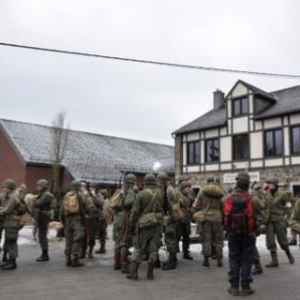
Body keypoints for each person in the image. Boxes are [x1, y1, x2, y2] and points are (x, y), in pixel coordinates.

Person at [223, 172, 256, 296]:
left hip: (232, 233)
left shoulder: (228, 198)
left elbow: (222, 206)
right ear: (247, 185)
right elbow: (262, 207)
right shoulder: (252, 199)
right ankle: (246, 287)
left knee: (234, 258)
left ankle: (234, 287)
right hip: (249, 233)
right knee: (247, 259)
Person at [127, 173, 164, 281]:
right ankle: (150, 274)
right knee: (153, 249)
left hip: (144, 225)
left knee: (139, 248)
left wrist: (132, 224)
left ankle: (134, 274)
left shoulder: (141, 194)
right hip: (157, 224)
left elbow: (135, 212)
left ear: (145, 182)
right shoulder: (161, 194)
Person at [193, 176, 224, 267]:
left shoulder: (202, 191)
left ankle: (206, 260)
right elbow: (224, 204)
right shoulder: (220, 191)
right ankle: (219, 260)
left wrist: (199, 211)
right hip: (217, 218)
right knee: (218, 239)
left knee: (206, 239)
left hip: (206, 217)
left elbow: (196, 204)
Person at [264, 177, 294, 267]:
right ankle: (274, 260)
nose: (268, 185)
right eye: (267, 183)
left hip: (279, 219)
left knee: (283, 240)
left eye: (270, 183)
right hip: (269, 220)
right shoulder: (267, 193)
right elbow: (265, 206)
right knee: (270, 240)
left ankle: (289, 255)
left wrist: (288, 219)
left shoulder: (283, 194)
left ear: (274, 184)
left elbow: (289, 206)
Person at [112, 173, 136, 273]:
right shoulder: (130, 191)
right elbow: (127, 203)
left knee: (117, 241)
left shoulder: (118, 191)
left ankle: (116, 263)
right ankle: (124, 264)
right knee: (124, 241)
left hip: (117, 218)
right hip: (124, 218)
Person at [60, 181, 85, 267]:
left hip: (67, 220)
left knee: (68, 239)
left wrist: (62, 220)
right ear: (78, 187)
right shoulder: (80, 195)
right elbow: (86, 208)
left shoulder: (67, 195)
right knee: (77, 239)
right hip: (77, 220)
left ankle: (68, 259)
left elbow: (62, 209)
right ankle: (75, 259)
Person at [157, 172, 179, 271]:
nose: (158, 184)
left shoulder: (168, 191)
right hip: (170, 216)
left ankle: (172, 262)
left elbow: (168, 205)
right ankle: (172, 259)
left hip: (169, 217)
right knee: (170, 238)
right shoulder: (169, 189)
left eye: (159, 182)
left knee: (170, 238)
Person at [0, 179, 20, 270]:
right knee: (8, 240)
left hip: (12, 222)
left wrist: (0, 210)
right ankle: (9, 260)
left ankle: (12, 262)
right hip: (6, 222)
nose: (3, 189)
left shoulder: (13, 197)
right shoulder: (6, 196)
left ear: (10, 188)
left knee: (12, 241)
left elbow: (8, 210)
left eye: (5, 187)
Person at [33, 179, 54, 262]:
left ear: (43, 186)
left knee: (42, 235)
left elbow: (38, 204)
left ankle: (45, 254)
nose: (37, 187)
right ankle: (44, 253)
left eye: (38, 185)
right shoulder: (42, 194)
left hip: (44, 216)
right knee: (41, 235)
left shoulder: (46, 195)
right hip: (41, 215)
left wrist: (33, 200)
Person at [81, 182, 104, 258]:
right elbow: (82, 204)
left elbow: (101, 204)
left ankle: (90, 251)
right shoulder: (86, 195)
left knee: (92, 236)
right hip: (86, 218)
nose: (91, 189)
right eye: (90, 187)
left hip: (94, 218)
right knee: (83, 235)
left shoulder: (99, 196)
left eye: (93, 188)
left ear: (96, 189)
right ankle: (83, 251)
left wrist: (94, 196)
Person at [176, 181, 193, 260]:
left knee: (186, 237)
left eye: (189, 187)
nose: (189, 189)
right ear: (182, 188)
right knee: (177, 236)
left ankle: (186, 252)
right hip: (179, 220)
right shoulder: (178, 196)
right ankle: (174, 253)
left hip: (187, 219)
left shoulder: (190, 197)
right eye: (187, 188)